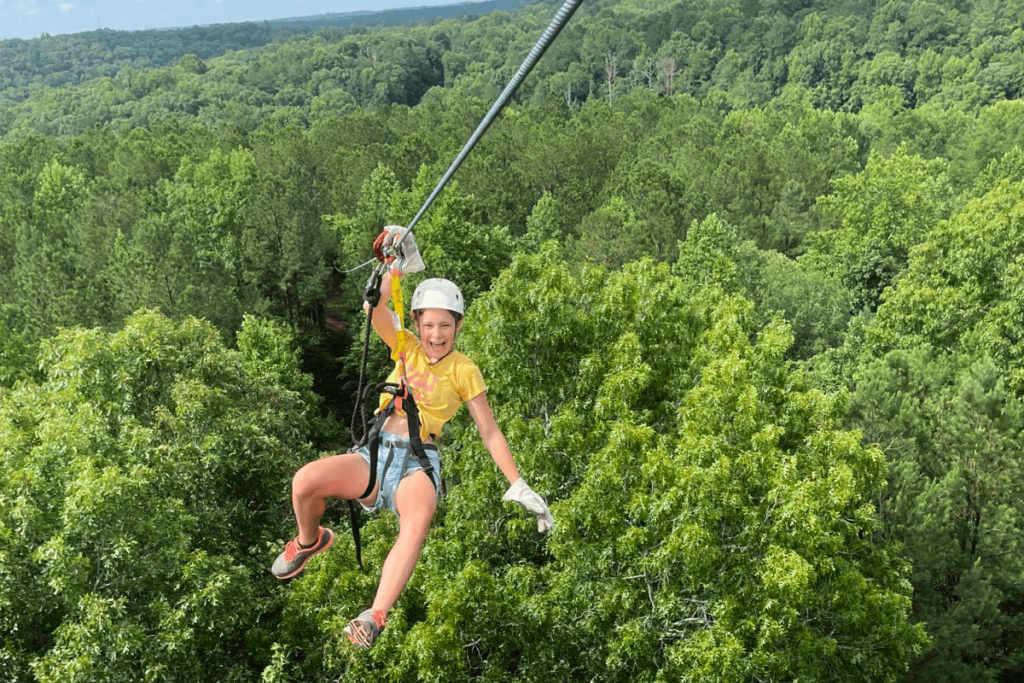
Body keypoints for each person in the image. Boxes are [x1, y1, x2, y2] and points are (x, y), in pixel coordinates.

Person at [271, 230, 553, 650]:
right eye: (429, 324)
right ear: (417, 323)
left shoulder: (464, 370)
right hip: (375, 451)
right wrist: (394, 261)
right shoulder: (405, 346)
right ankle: (310, 540)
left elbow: (489, 431)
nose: (437, 334)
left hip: (418, 462)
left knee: (417, 521)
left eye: (446, 326)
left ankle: (374, 615)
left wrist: (517, 483)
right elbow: (376, 308)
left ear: (457, 327)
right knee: (305, 482)